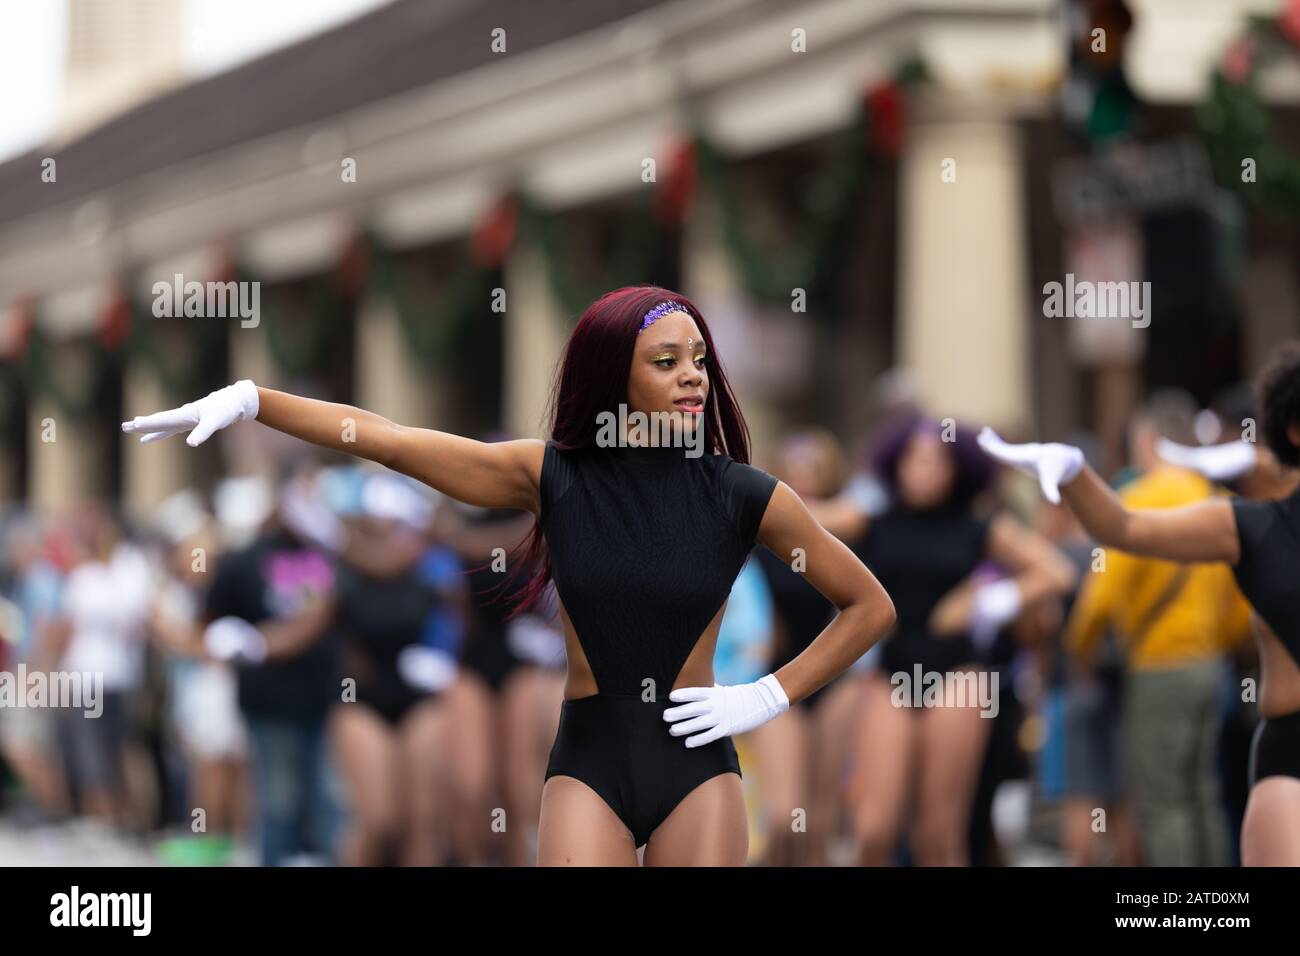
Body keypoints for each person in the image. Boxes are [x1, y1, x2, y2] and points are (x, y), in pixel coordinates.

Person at [122, 285, 897, 866]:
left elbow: (867, 607)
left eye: (699, 361)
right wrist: (256, 401)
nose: (692, 377)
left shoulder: (744, 495)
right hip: (590, 756)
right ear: (613, 378)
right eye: (666, 363)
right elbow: (390, 441)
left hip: (695, 757)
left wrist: (765, 696)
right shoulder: (550, 476)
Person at [978, 342, 1300, 866]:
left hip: (1178, 667)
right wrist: (1073, 473)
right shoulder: (1248, 521)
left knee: (1181, 800)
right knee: (1180, 801)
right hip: (1283, 746)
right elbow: (1123, 528)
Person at [812, 414, 1077, 866]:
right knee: (874, 831)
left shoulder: (979, 525)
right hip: (892, 673)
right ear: (895, 463)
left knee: (938, 835)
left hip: (957, 674)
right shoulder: (873, 518)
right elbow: (797, 515)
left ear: (957, 469)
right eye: (914, 459)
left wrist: (995, 598)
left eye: (935, 461)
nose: (922, 470)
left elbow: (1057, 571)